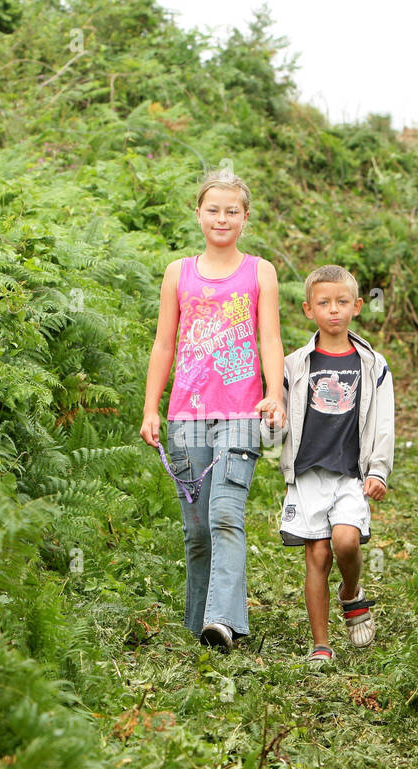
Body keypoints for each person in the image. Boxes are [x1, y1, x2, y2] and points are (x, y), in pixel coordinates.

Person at [140, 171, 285, 652]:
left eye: (232, 211)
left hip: (242, 411)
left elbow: (269, 338)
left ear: (245, 217)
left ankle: (222, 623)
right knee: (197, 528)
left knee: (226, 513)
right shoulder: (177, 272)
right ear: (198, 213)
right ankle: (199, 622)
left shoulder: (259, 271)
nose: (222, 218)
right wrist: (151, 408)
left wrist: (275, 392)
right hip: (186, 415)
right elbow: (164, 344)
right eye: (213, 209)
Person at [262, 265, 394, 666]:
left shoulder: (372, 364)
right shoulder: (292, 365)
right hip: (306, 475)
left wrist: (378, 470)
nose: (333, 310)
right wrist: (270, 426)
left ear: (356, 306)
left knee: (345, 541)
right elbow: (273, 429)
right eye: (323, 303)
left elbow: (384, 421)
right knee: (317, 554)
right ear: (308, 309)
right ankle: (321, 643)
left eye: (341, 302)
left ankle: (351, 593)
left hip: (351, 474)